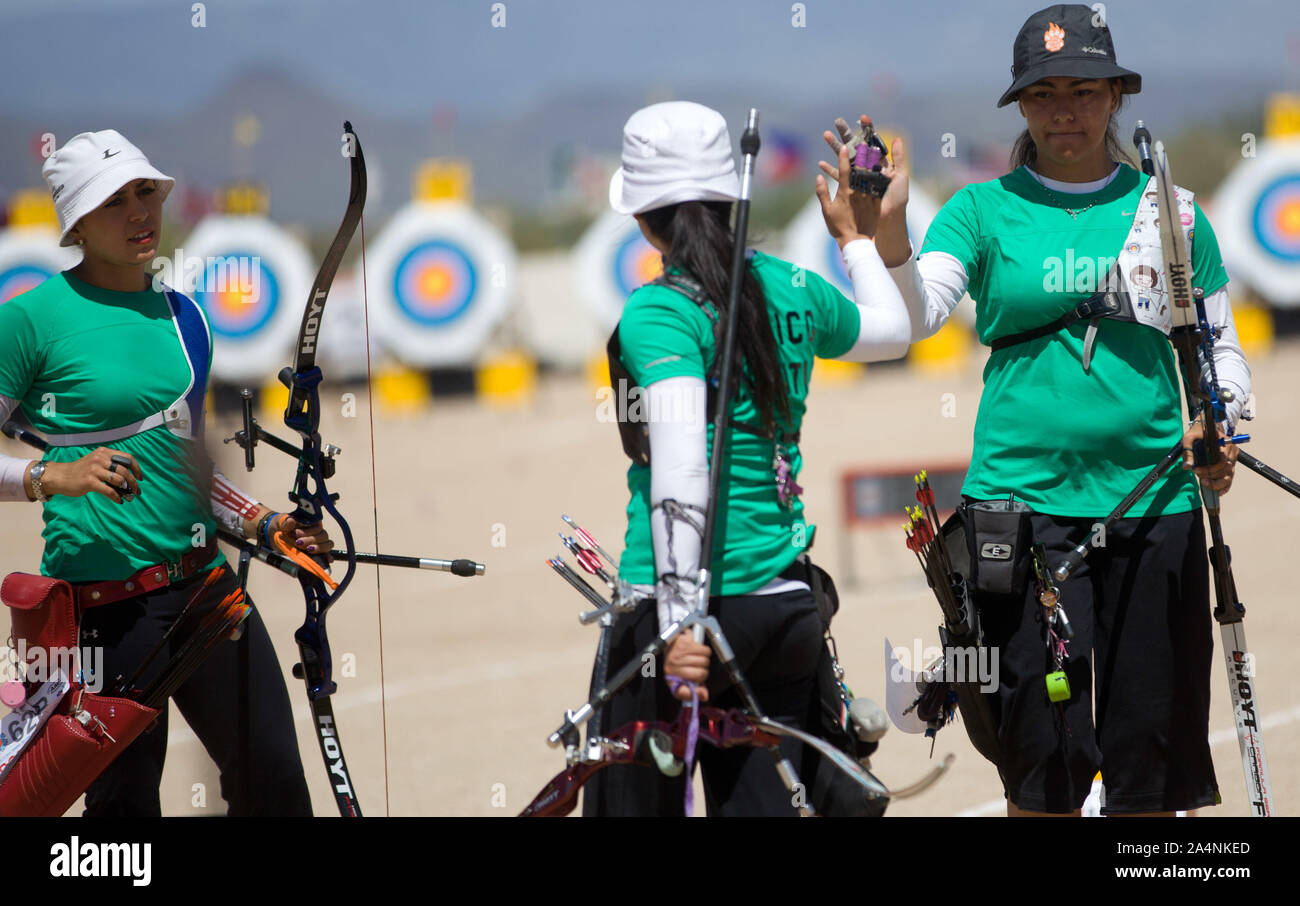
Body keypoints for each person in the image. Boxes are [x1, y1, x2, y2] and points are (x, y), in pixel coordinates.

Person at [867, 5, 1249, 816]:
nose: (1065, 110)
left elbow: (1219, 346)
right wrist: (892, 235)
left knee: (1147, 767)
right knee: (1045, 768)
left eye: (1083, 90)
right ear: (1021, 108)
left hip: (1156, 508)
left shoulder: (1172, 214)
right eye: (1043, 96)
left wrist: (1219, 423)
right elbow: (913, 319)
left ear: (1115, 97)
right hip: (1023, 513)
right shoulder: (980, 211)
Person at [585, 101, 911, 816]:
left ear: (642, 219)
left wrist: (678, 627)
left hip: (683, 614)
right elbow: (891, 332)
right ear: (734, 199)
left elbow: (680, 471)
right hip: (785, 609)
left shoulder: (659, 312)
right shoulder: (791, 287)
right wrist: (856, 238)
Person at [0, 130, 327, 815]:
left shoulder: (186, 315)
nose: (139, 211)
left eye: (146, 192)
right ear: (78, 222)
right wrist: (46, 478)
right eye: (114, 200)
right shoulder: (28, 322)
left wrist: (264, 524)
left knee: (274, 784)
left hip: (206, 590)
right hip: (104, 613)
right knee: (123, 817)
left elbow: (182, 458)